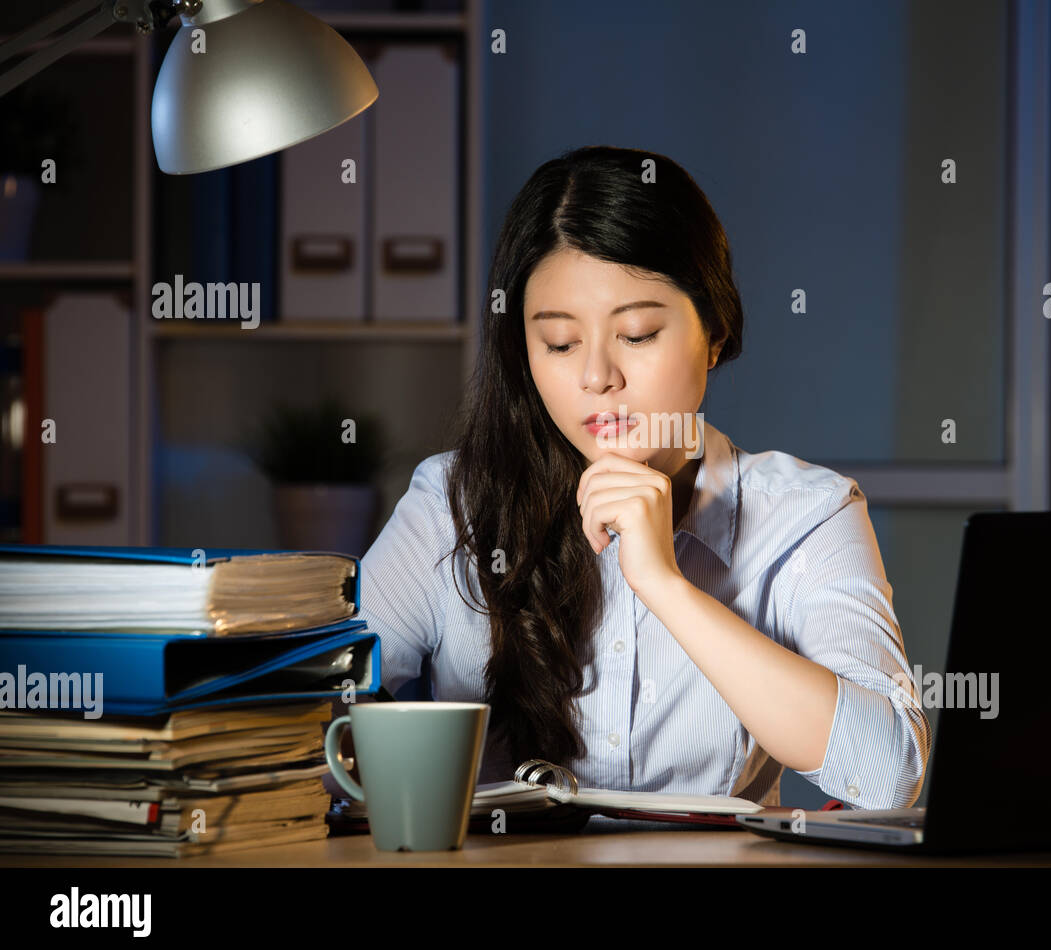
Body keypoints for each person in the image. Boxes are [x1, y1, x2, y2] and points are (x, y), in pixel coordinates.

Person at [332, 145, 930, 810]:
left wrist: (664, 584)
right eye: (559, 343)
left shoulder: (806, 514)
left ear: (715, 330)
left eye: (638, 334)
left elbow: (887, 777)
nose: (596, 377)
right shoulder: (455, 507)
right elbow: (308, 710)